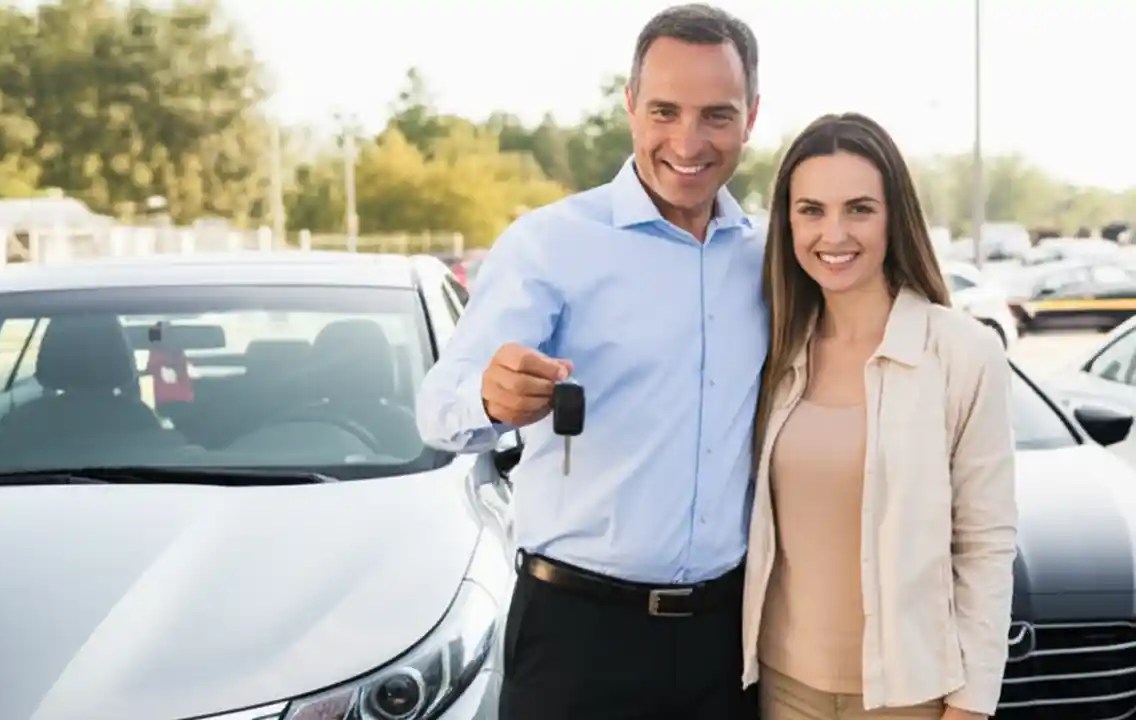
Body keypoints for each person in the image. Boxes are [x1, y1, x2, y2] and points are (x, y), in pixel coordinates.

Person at [415, 4, 765, 718]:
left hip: (724, 644)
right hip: (576, 638)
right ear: (631, 105)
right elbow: (437, 409)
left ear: (752, 116)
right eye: (664, 111)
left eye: (717, 116)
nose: (688, 141)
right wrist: (490, 399)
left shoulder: (766, 259)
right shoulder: (550, 244)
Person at [740, 112, 1018, 720]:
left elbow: (986, 545)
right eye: (811, 210)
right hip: (783, 689)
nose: (833, 233)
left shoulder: (960, 352)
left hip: (910, 697)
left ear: (895, 216)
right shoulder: (774, 349)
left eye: (859, 209)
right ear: (787, 222)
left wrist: (972, 706)